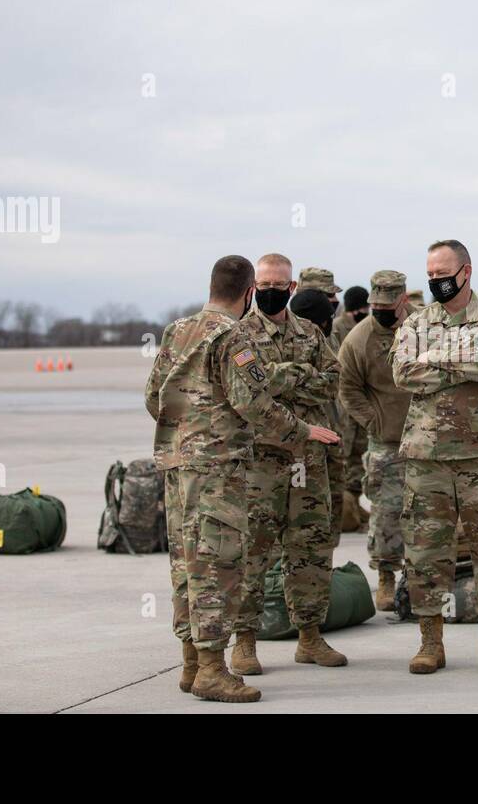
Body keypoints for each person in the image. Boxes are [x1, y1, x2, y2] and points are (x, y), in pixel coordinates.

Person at [145, 255, 339, 703]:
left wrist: (186, 430)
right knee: (218, 565)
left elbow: (154, 397)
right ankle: (213, 669)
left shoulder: (178, 330)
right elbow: (254, 403)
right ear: (250, 290)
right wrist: (303, 430)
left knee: (186, 565)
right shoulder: (233, 337)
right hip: (218, 469)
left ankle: (192, 662)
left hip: (178, 466)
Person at [392, 239, 478, 675]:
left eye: (442, 274)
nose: (435, 282)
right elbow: (403, 373)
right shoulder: (416, 320)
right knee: (426, 551)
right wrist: (462, 357)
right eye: (429, 276)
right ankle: (431, 641)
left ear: (465, 272)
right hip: (426, 457)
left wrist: (436, 358)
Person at [232, 253, 348, 675]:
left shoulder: (312, 335)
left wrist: (278, 376)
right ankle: (244, 642)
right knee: (252, 553)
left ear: (292, 287)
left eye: (278, 285)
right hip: (258, 464)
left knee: (311, 549)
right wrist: (296, 376)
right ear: (252, 287)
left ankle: (310, 637)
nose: (270, 292)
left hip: (308, 463)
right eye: (262, 286)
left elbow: (332, 383)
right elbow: (250, 394)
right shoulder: (238, 334)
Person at [337, 271, 413, 611]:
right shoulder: (359, 339)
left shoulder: (424, 328)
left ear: (403, 301)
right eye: (375, 305)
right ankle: (386, 576)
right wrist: (374, 420)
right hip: (387, 442)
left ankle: (423, 579)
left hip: (429, 439)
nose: (381, 311)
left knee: (429, 514)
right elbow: (347, 388)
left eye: (388, 305)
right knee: (386, 511)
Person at [301, 269, 369, 526]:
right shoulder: (307, 329)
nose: (333, 301)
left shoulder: (328, 327)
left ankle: (344, 514)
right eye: (328, 295)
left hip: (335, 417)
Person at [289, 288, 348, 544]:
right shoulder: (297, 342)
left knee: (328, 512)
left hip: (329, 438)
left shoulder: (328, 341)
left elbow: (331, 385)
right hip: (302, 443)